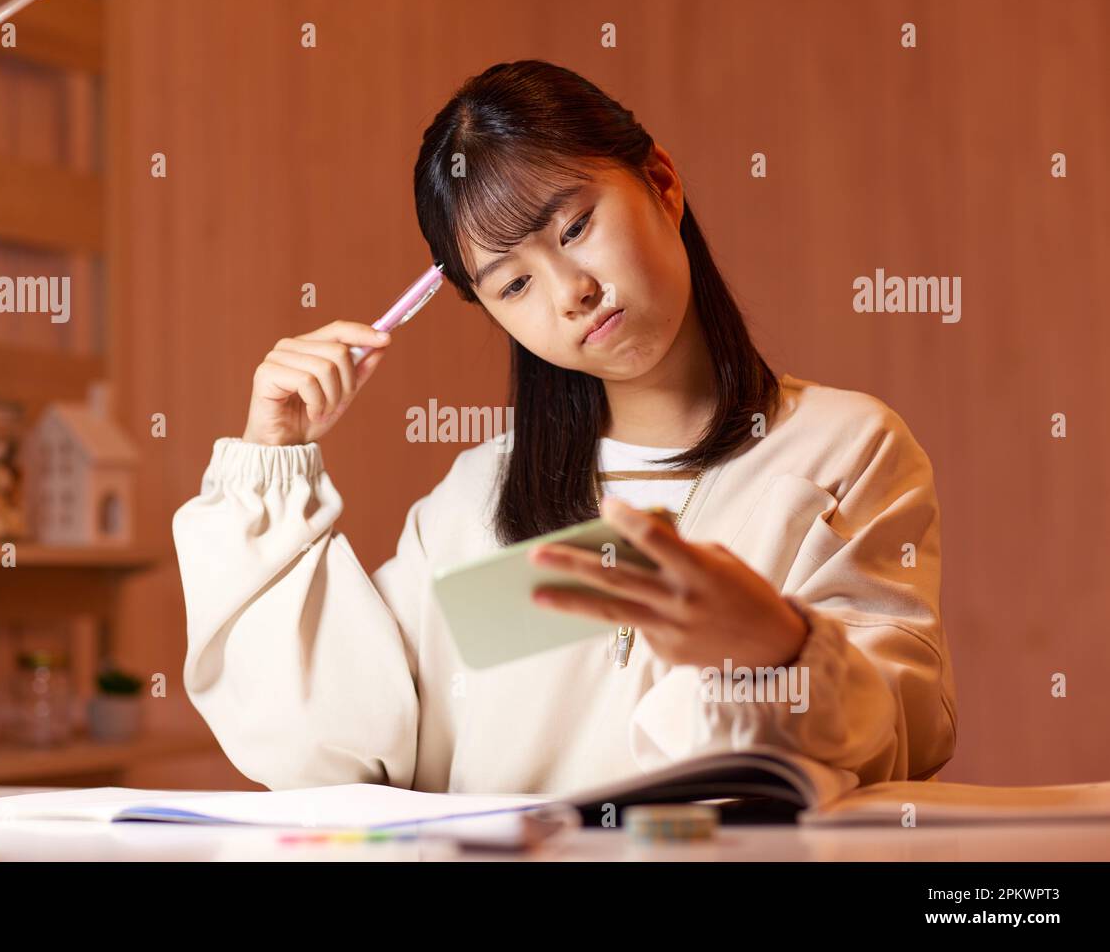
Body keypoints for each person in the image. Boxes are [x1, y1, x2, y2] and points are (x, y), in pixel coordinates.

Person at [172, 60, 957, 796]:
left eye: (575, 228)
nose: (571, 292)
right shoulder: (475, 503)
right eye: (514, 283)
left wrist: (778, 648)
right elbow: (331, 750)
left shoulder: (841, 450)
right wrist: (269, 462)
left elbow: (899, 724)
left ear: (662, 182)